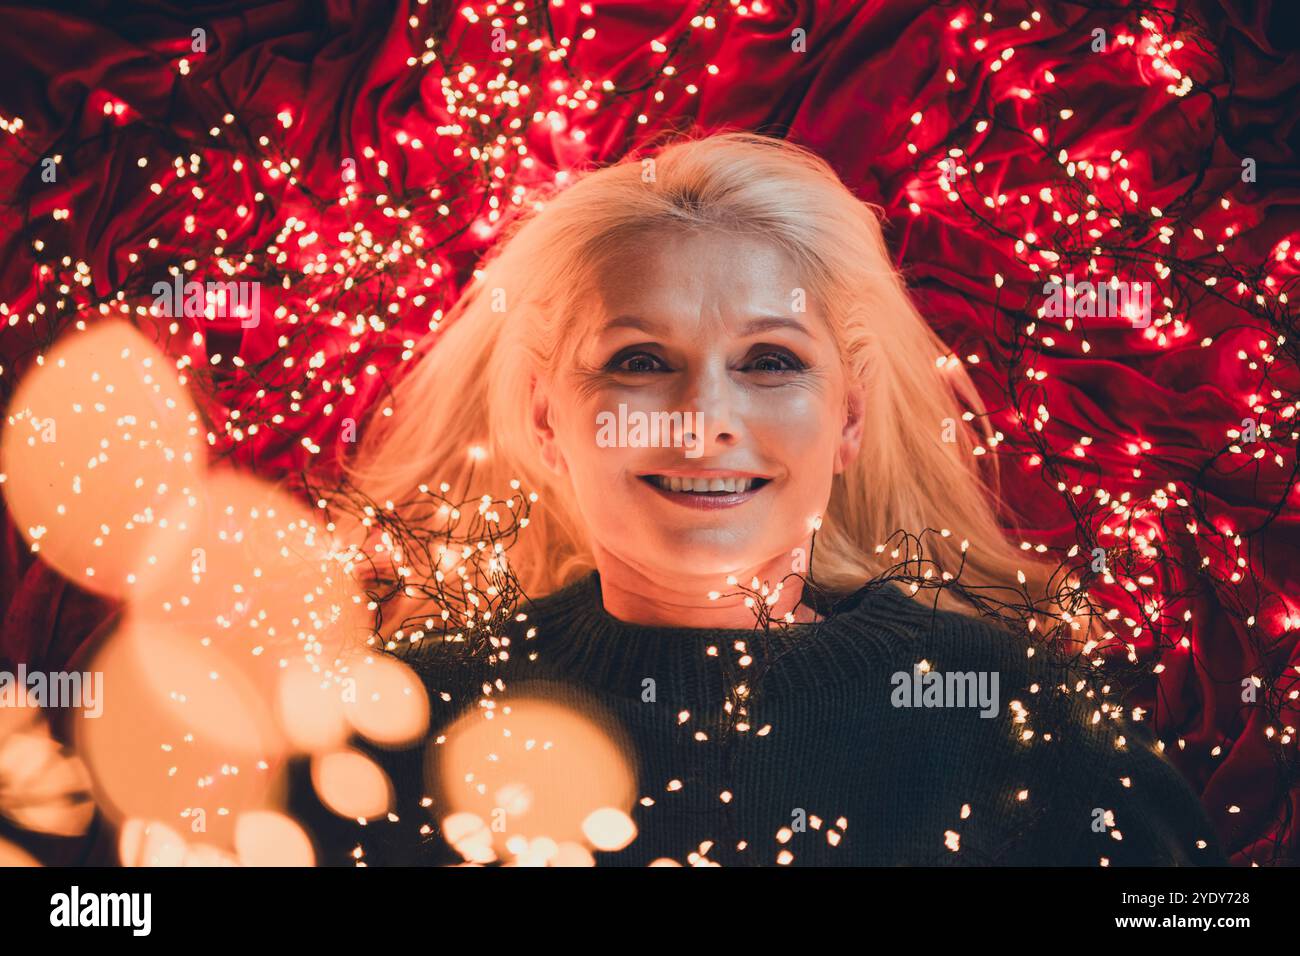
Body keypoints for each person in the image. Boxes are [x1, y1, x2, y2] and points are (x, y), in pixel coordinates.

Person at [289, 132, 1227, 867]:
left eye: (770, 362)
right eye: (640, 362)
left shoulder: (1021, 712)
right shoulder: (398, 717)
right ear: (546, 421)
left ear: (849, 421)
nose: (705, 424)